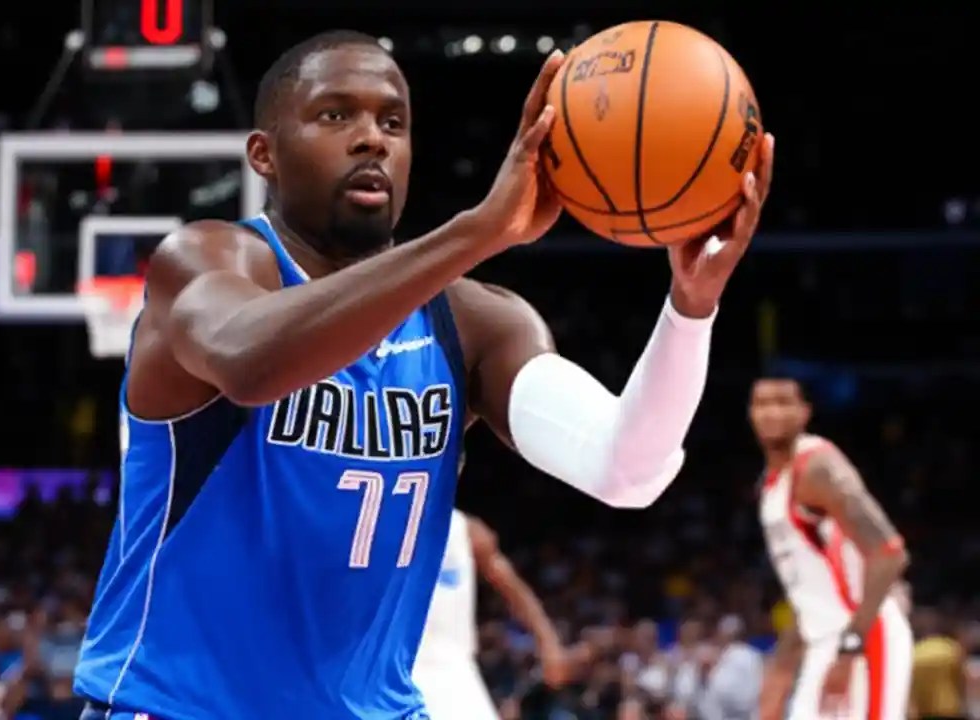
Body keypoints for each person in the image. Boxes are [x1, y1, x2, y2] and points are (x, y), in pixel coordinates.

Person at [74, 29, 773, 720]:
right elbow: (252, 364)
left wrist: (691, 308)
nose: (372, 137)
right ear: (265, 155)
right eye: (334, 114)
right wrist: (478, 232)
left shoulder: (473, 322)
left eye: (393, 121)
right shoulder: (206, 260)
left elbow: (629, 471)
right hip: (176, 709)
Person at [750, 377, 912, 720]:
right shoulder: (769, 485)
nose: (771, 412)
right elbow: (805, 596)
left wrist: (851, 647)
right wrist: (779, 676)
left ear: (803, 412)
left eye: (782, 402)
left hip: (863, 639)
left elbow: (890, 553)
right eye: (762, 403)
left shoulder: (819, 466)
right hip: (823, 643)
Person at [412, 506, 567, 720]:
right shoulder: (373, 521)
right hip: (395, 670)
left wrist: (547, 640)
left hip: (455, 669)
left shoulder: (465, 529)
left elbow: (512, 585)